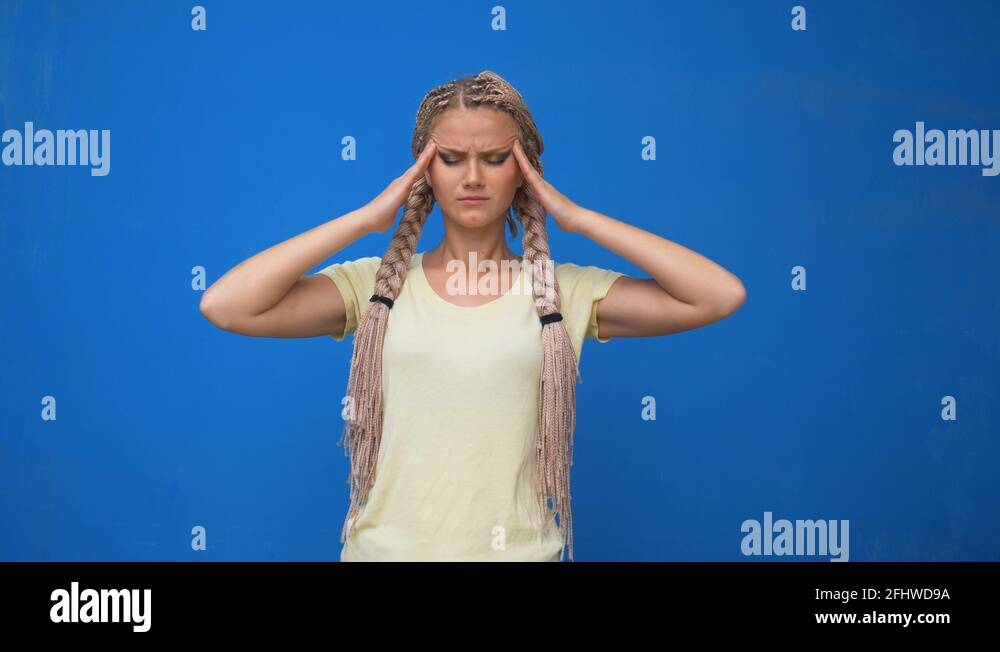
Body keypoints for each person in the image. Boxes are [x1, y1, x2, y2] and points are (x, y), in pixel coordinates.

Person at [199, 70, 746, 561]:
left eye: (495, 158)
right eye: (452, 158)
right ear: (424, 170)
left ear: (524, 168)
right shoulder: (374, 287)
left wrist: (579, 219)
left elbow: (717, 295)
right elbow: (226, 305)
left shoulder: (559, 292)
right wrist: (365, 219)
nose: (473, 178)